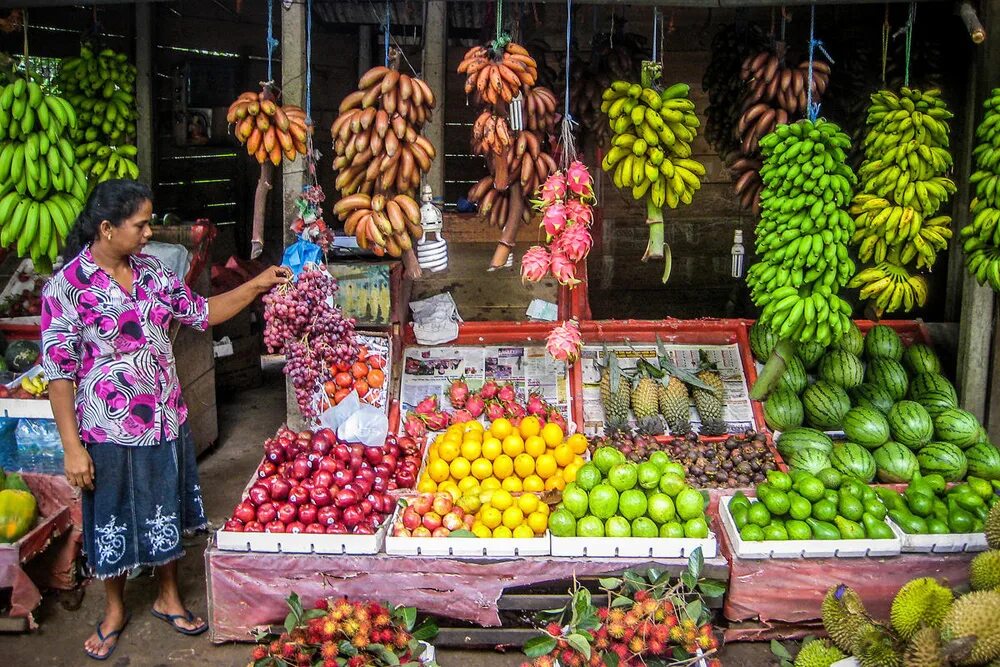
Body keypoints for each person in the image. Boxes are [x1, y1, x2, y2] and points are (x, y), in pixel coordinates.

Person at [41, 179, 290, 660]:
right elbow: (58, 375)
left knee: (165, 509)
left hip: (165, 419)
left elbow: (202, 312)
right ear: (108, 228)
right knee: (110, 516)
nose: (149, 232)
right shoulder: (67, 288)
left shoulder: (153, 273)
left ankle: (167, 595)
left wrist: (256, 284)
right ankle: (114, 609)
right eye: (140, 224)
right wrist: (73, 448)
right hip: (106, 428)